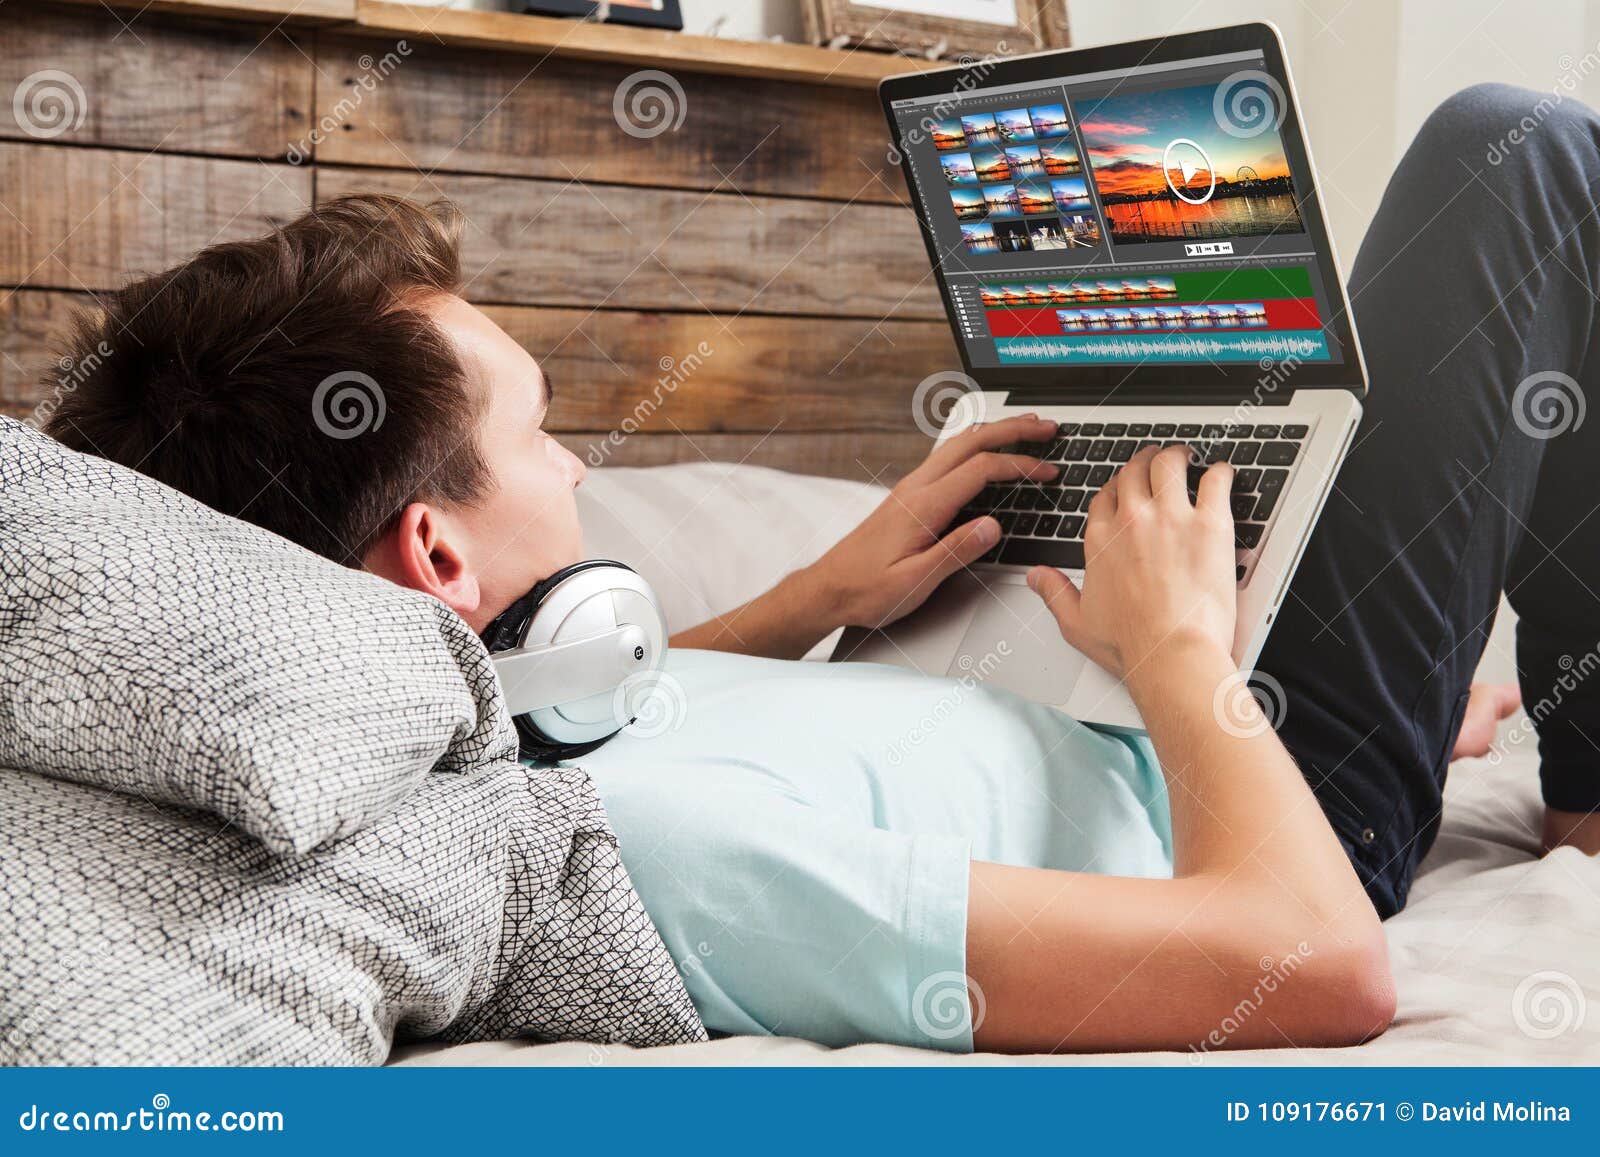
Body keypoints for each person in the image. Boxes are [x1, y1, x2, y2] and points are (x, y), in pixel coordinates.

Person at [41, 82, 1593, 1054]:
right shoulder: (655, 851)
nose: (584, 469)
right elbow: (1314, 966)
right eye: (546, 431)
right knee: (1512, 158)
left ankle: (1451, 669)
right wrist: (1187, 661)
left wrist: (827, 595)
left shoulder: (487, 734)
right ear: (437, 550)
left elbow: (603, 710)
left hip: (1127, 682)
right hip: (1269, 799)